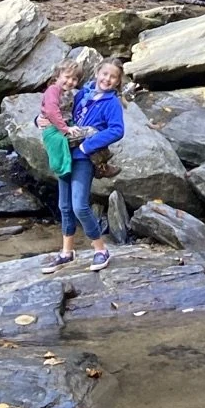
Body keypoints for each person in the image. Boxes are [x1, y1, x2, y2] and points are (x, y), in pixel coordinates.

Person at [44, 57, 127, 272]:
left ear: (118, 82)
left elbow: (117, 129)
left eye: (113, 77)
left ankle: (101, 250)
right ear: (97, 73)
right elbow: (60, 111)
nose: (107, 79)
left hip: (84, 157)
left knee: (79, 205)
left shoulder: (111, 103)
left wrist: (87, 146)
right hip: (66, 153)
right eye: (105, 74)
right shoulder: (83, 93)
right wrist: (40, 120)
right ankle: (67, 252)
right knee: (64, 206)